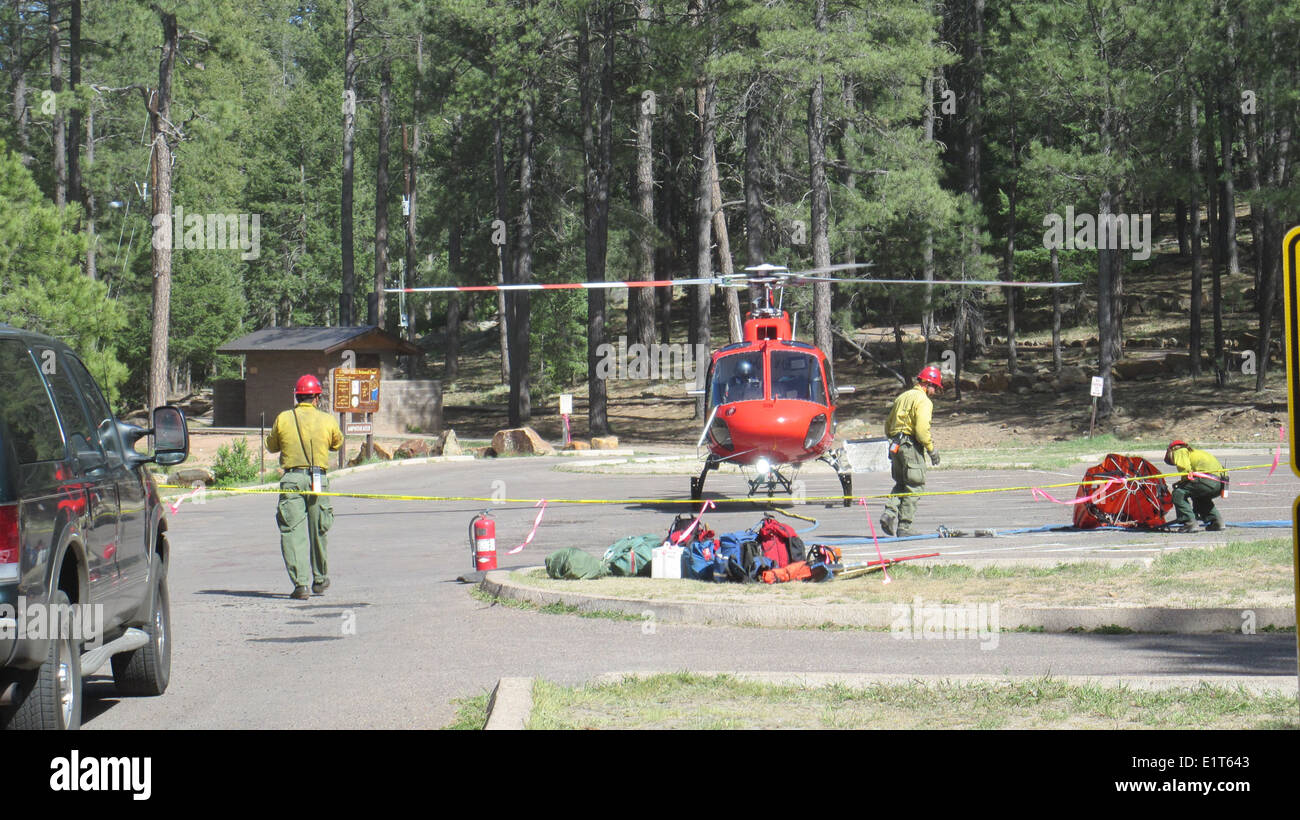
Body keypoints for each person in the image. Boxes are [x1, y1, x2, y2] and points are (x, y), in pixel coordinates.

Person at [266, 374, 343, 599]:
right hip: (318, 479)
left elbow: (271, 446)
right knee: (318, 528)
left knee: (292, 531)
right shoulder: (327, 420)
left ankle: (301, 584)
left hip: (291, 479)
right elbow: (337, 443)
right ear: (316, 398)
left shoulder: (283, 418)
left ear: (296, 397)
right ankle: (320, 578)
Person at [879, 366, 943, 537]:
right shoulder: (924, 401)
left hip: (895, 445)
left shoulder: (903, 396)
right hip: (910, 446)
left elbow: (887, 424)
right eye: (935, 387)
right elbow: (922, 430)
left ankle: (889, 513)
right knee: (915, 485)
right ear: (928, 384)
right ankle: (905, 527)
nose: (935, 391)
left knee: (901, 483)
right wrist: (931, 450)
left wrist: (893, 441)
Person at [1165, 440, 1226, 533]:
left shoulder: (1180, 451)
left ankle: (1189, 523)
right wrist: (1182, 482)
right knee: (1199, 497)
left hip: (1207, 480)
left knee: (1178, 493)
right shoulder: (1196, 453)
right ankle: (1216, 522)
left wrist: (1181, 484)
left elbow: (1186, 470)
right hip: (1220, 483)